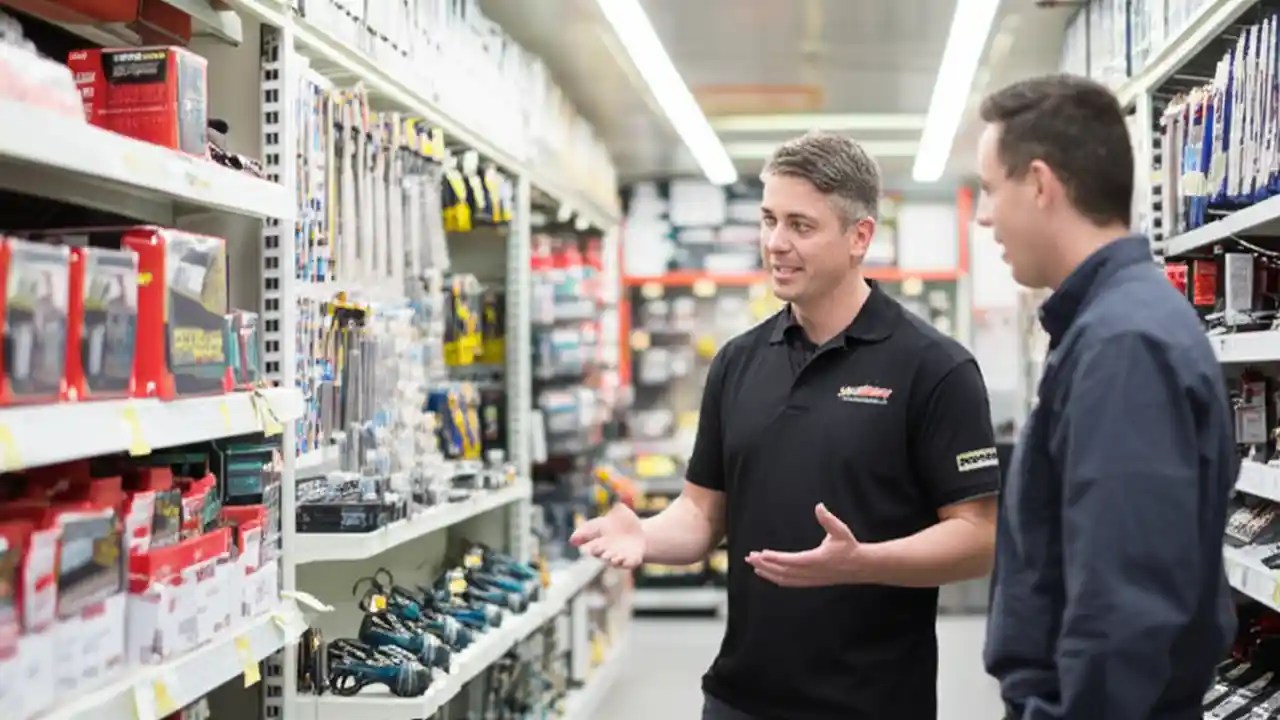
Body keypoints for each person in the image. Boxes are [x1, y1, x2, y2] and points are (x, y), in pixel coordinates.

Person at [572, 131, 1001, 720]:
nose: (776, 243)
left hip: (872, 704)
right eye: (769, 219)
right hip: (739, 700)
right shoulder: (738, 362)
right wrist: (645, 536)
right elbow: (701, 515)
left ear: (860, 237)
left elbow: (978, 539)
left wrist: (864, 562)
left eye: (801, 226)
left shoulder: (934, 367)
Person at [977, 74, 1237, 719]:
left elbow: (1123, 609)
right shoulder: (1110, 325)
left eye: (989, 190)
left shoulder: (1124, 345)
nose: (983, 216)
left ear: (1039, 185)